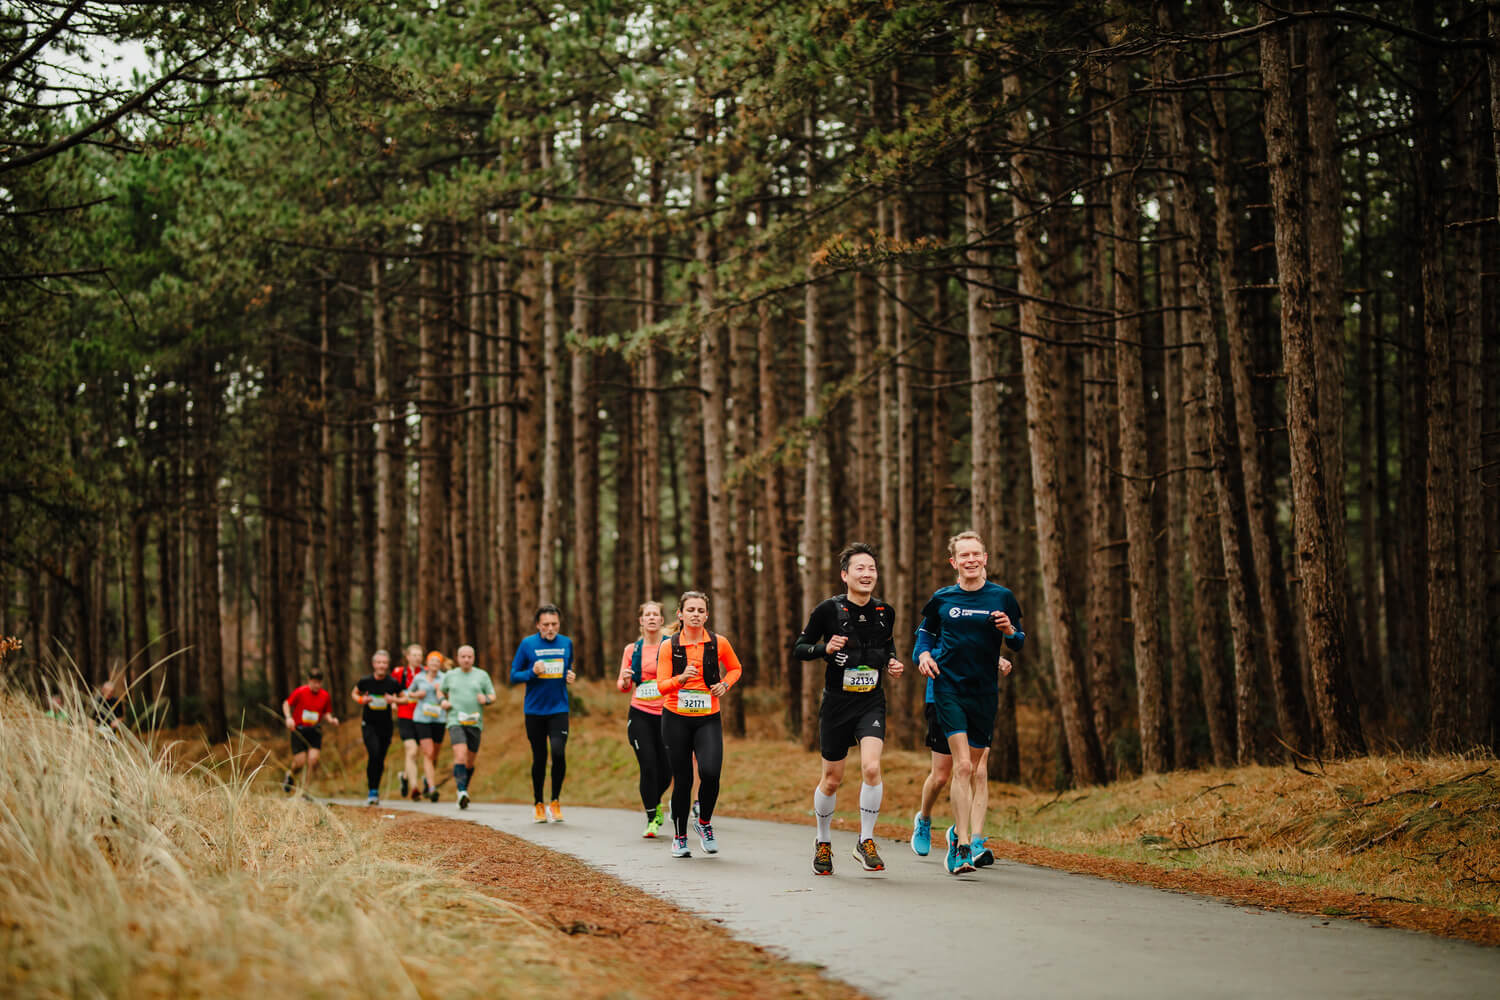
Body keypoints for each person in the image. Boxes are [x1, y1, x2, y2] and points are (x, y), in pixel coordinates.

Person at [913, 530, 1024, 874]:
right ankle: (961, 846)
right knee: (959, 767)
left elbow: (1018, 640)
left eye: (976, 554)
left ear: (985, 558)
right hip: (947, 688)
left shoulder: (1002, 597)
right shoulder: (943, 598)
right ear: (954, 562)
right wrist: (923, 656)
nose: (971, 560)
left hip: (984, 693)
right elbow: (925, 634)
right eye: (964, 556)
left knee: (975, 768)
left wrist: (1009, 633)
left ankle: (959, 832)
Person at [793, 542, 904, 875]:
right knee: (832, 779)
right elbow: (800, 648)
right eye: (860, 568)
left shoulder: (885, 612)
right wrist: (825, 647)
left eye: (872, 568)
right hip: (837, 704)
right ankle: (823, 841)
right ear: (845, 575)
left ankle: (865, 840)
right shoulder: (827, 610)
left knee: (872, 768)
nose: (867, 574)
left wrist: (893, 663)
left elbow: (888, 647)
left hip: (871, 701)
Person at [656, 591, 742, 858]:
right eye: (690, 609)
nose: (695, 614)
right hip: (676, 719)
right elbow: (661, 686)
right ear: (680, 614)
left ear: (707, 615)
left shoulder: (718, 643)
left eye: (700, 610)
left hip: (708, 718)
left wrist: (724, 684)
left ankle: (704, 822)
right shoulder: (669, 646)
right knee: (682, 780)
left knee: (711, 771)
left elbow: (736, 668)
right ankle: (680, 838)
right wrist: (680, 679)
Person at [911, 657, 1012, 866]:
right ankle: (924, 819)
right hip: (943, 695)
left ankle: (971, 840)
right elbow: (924, 646)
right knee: (940, 776)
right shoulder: (940, 623)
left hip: (978, 698)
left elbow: (1014, 635)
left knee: (977, 770)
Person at [509, 604, 577, 823]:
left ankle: (555, 801)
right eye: (546, 624)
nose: (550, 628)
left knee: (558, 753)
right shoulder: (528, 644)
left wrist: (569, 676)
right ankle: (538, 803)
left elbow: (568, 667)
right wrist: (532, 672)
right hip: (534, 711)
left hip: (559, 709)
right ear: (538, 625)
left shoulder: (566, 643)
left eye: (554, 624)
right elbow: (513, 675)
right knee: (539, 757)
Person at [615, 600, 671, 837]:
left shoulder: (671, 646)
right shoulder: (632, 649)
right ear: (641, 621)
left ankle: (655, 800)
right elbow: (621, 685)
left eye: (655, 614)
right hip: (640, 714)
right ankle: (652, 816)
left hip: (667, 714)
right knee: (647, 766)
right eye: (646, 615)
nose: (651, 618)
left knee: (667, 771)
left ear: (661, 620)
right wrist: (626, 681)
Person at [438, 645, 494, 809]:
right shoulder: (450, 675)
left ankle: (464, 789)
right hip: (456, 720)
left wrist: (486, 700)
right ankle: (461, 791)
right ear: (458, 658)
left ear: (474, 658)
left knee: (469, 761)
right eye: (463, 656)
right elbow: (440, 692)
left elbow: (492, 695)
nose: (466, 659)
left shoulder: (482, 675)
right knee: (460, 755)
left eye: (469, 656)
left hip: (475, 722)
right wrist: (443, 702)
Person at [352, 650, 404, 805]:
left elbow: (405, 699)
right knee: (373, 753)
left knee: (380, 758)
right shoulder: (366, 681)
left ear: (387, 665)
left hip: (386, 726)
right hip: (369, 724)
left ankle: (375, 789)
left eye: (384, 663)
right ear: (374, 664)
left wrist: (393, 699)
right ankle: (372, 790)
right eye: (379, 662)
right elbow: (354, 693)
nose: (381, 665)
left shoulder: (392, 683)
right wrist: (361, 699)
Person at [282, 669, 339, 793]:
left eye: (319, 682)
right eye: (314, 682)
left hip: (315, 731)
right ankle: (290, 774)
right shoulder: (300, 692)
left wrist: (331, 720)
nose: (316, 685)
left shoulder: (325, 695)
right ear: (309, 681)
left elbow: (326, 712)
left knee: (313, 760)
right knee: (300, 762)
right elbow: (286, 703)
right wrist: (288, 718)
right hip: (299, 730)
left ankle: (305, 791)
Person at [406, 650, 447, 802]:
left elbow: (450, 695)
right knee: (428, 752)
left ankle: (427, 779)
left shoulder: (444, 678)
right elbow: (409, 693)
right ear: (427, 664)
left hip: (439, 718)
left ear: (440, 664)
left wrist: (441, 693)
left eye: (437, 662)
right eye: (432, 661)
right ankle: (432, 787)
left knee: (434, 755)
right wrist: (418, 695)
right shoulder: (419, 677)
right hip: (422, 719)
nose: (434, 664)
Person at [390, 644, 427, 800]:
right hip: (405, 715)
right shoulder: (399, 673)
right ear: (408, 657)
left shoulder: (425, 672)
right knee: (411, 750)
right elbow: (391, 688)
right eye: (414, 655)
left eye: (419, 655)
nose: (417, 658)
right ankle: (414, 788)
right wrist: (393, 701)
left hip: (422, 716)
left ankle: (404, 777)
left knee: (417, 753)